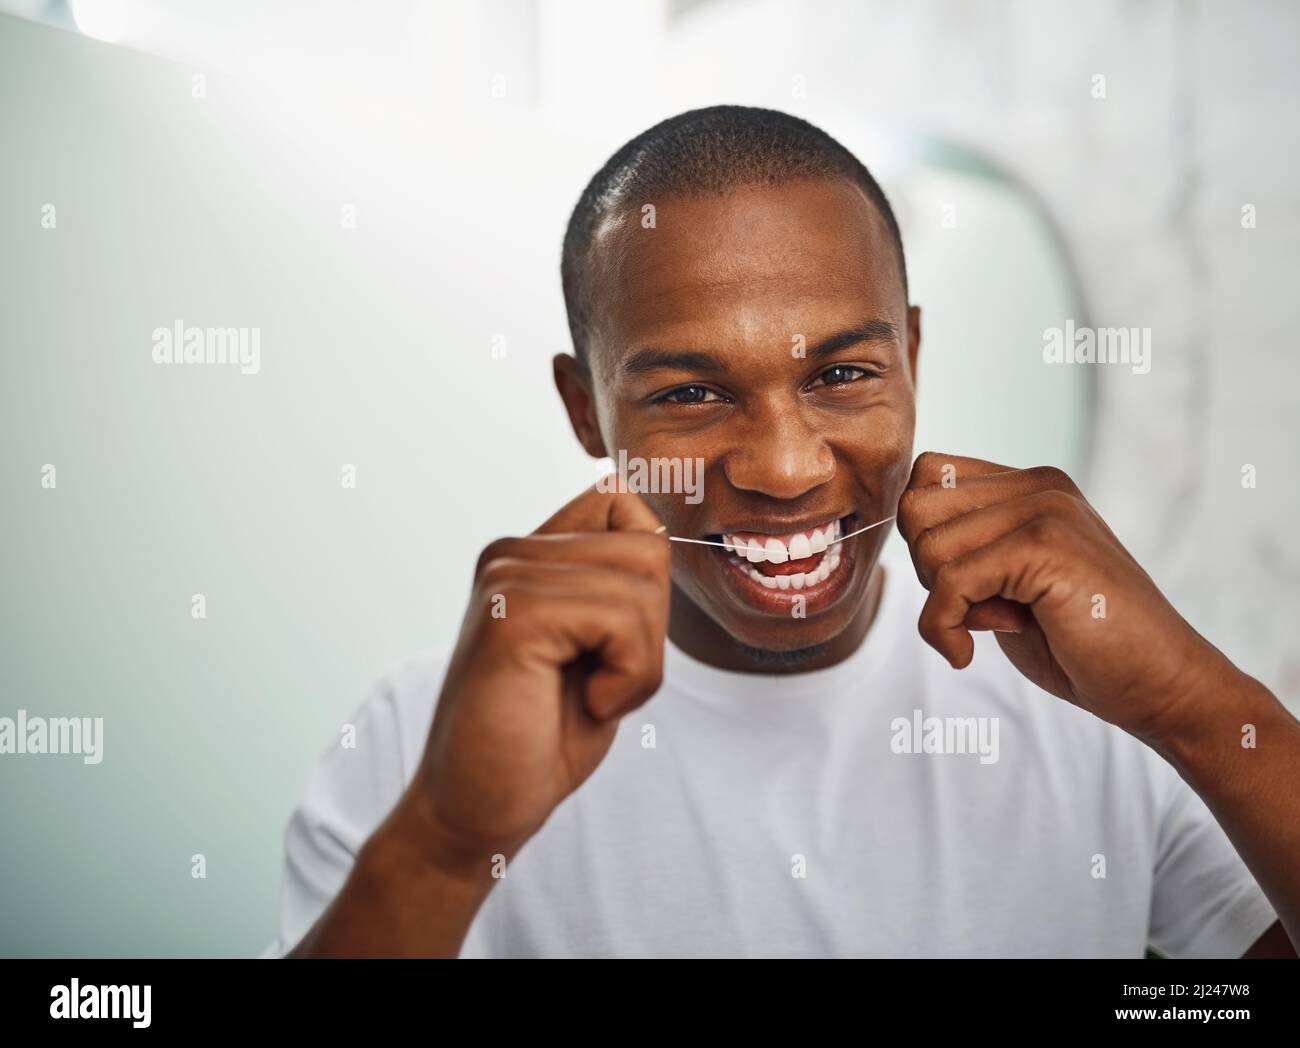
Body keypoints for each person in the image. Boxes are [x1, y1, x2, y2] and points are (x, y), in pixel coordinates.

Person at [270, 105, 1298, 958]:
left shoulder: (1106, 709)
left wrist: (1199, 708)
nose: (786, 468)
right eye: (689, 392)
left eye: (843, 374)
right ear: (586, 411)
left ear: (913, 355)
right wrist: (446, 845)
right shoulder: (420, 741)